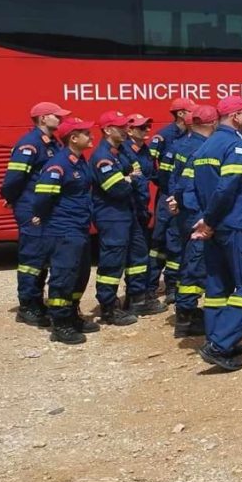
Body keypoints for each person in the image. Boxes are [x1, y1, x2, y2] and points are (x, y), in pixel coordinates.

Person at [186, 95, 242, 372]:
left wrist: (205, 221)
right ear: (235, 116)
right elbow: (227, 188)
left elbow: (196, 189)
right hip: (237, 223)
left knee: (218, 285)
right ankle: (220, 345)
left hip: (217, 225)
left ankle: (218, 336)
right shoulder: (236, 146)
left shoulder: (206, 146)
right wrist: (209, 220)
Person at [30, 116, 97, 344]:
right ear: (73, 138)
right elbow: (42, 197)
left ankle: (72, 314)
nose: (91, 136)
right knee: (63, 276)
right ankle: (60, 324)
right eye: (86, 133)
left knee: (80, 274)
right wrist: (47, 218)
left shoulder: (80, 161)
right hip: (63, 228)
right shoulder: (58, 164)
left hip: (79, 227)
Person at [0, 101, 66, 328]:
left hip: (44, 207)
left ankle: (37, 300)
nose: (60, 119)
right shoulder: (29, 144)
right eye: (56, 116)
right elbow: (14, 179)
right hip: (30, 207)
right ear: (43, 118)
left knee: (43, 256)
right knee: (32, 257)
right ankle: (27, 304)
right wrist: (13, 198)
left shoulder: (50, 142)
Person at [89, 111, 146, 325]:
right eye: (120, 126)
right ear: (107, 130)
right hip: (112, 216)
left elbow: (138, 172)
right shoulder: (102, 157)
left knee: (137, 255)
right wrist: (128, 179)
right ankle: (109, 308)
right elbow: (117, 189)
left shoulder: (121, 151)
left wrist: (128, 178)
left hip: (127, 212)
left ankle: (137, 299)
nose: (125, 130)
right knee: (112, 263)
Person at [167, 104, 218, 338]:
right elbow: (189, 185)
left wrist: (175, 200)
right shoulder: (201, 148)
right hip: (196, 213)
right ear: (212, 123)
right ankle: (186, 315)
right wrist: (201, 216)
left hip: (187, 212)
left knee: (192, 261)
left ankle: (187, 311)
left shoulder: (183, 144)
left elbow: (176, 181)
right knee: (195, 264)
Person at [148, 98, 195, 301]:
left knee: (176, 240)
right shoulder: (164, 136)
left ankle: (172, 286)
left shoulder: (189, 137)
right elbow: (150, 165)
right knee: (159, 240)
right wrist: (165, 188)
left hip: (177, 195)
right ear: (181, 114)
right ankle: (150, 286)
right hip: (167, 195)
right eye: (190, 112)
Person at [124, 113, 162, 313]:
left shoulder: (145, 150)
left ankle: (138, 296)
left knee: (141, 254)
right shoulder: (124, 152)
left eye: (148, 126)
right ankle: (135, 300)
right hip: (129, 209)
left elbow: (153, 175)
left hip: (142, 208)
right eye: (142, 127)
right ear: (129, 130)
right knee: (136, 255)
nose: (147, 130)